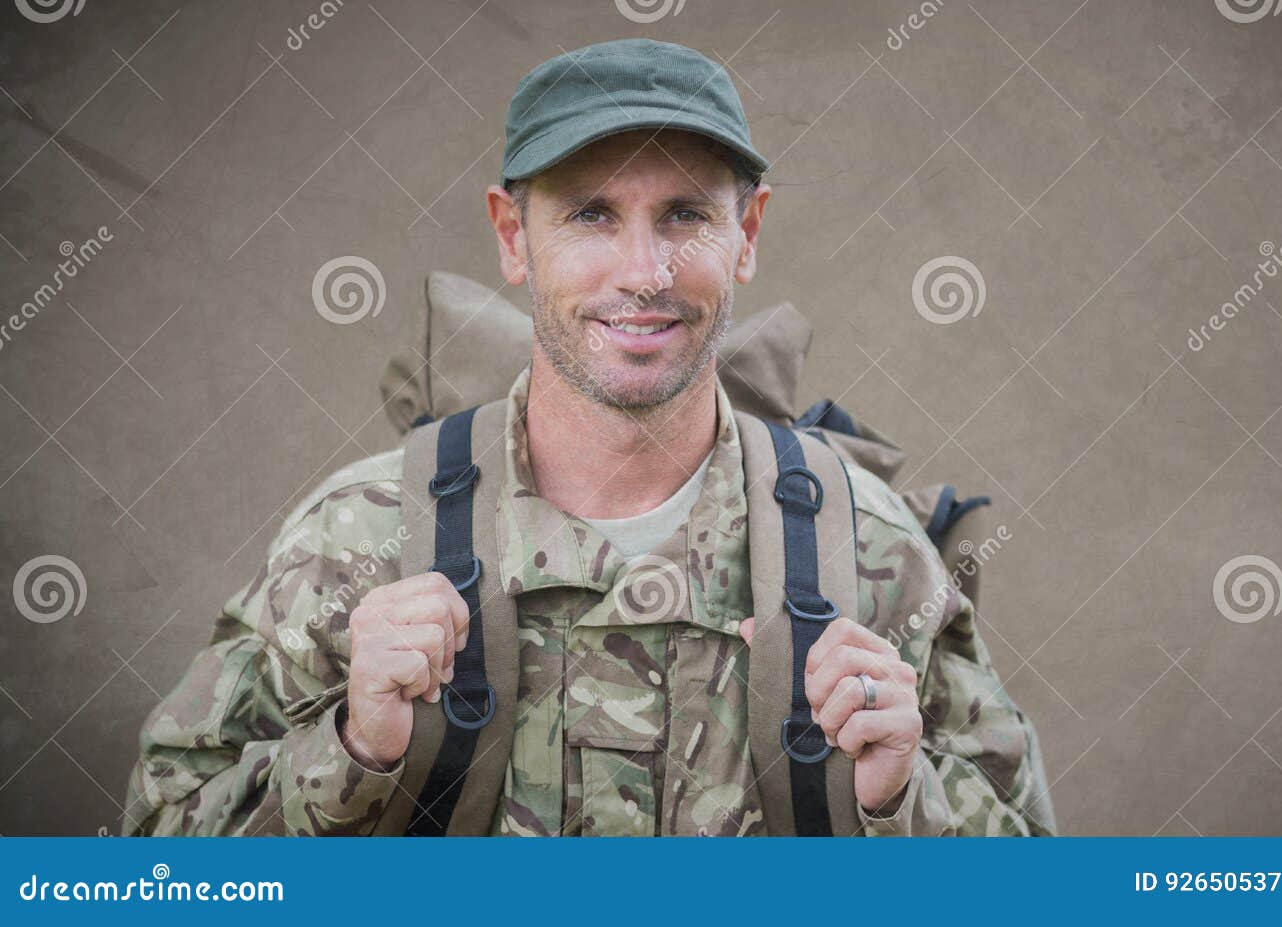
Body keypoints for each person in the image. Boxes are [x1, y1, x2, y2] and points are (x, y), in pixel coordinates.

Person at [123, 38, 1053, 836]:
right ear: (513, 235)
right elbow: (153, 867)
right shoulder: (354, 544)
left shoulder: (871, 554)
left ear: (748, 233)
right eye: (590, 214)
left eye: (686, 214)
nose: (644, 272)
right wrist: (356, 752)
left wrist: (898, 801)